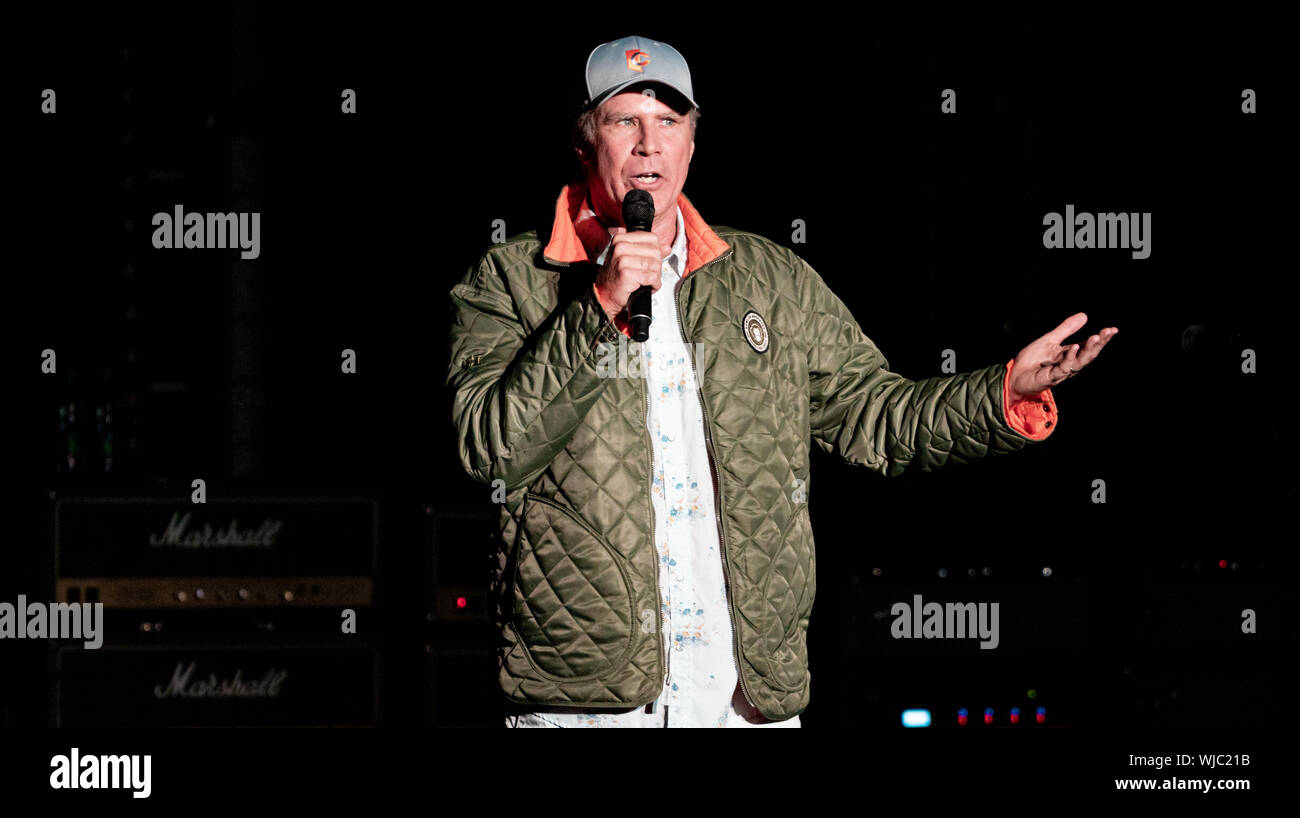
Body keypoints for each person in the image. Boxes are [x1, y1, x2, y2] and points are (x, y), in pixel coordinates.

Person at [447, 35, 1117, 728]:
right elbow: (492, 451)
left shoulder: (770, 280)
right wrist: (599, 307)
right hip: (585, 707)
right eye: (625, 122)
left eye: (670, 123)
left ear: (691, 145)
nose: (650, 145)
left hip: (743, 703)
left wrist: (1003, 392)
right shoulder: (512, 279)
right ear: (587, 148)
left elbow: (875, 416)